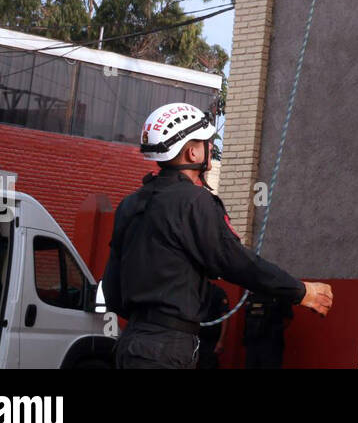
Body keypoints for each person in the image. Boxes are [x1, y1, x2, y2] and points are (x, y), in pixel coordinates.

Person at [103, 102, 333, 369]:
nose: (211, 147)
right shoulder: (195, 202)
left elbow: (112, 288)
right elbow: (237, 262)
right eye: (207, 142)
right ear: (191, 152)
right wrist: (300, 291)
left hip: (130, 343)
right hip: (167, 349)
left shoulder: (130, 205)